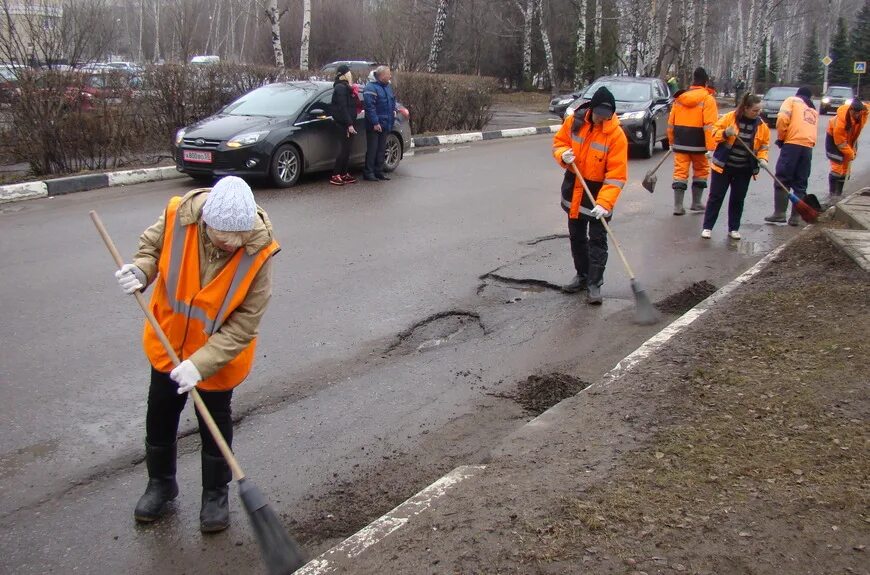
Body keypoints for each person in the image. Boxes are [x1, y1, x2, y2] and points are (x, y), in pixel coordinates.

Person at [114, 176, 279, 532]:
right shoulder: (178, 216)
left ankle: (215, 495)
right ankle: (161, 484)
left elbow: (244, 325)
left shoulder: (259, 252)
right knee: (159, 415)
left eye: (238, 236)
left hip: (218, 359)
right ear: (206, 220)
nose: (230, 243)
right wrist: (140, 272)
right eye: (222, 235)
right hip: (169, 344)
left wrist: (199, 364)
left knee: (214, 424)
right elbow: (150, 250)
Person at [552, 86, 628, 305]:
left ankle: (595, 284)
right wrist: (562, 155)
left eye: (606, 117)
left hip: (598, 194)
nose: (602, 120)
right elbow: (560, 143)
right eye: (598, 115)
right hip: (575, 187)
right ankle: (582, 276)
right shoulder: (575, 122)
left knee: (597, 240)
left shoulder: (616, 136)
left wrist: (605, 203)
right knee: (576, 237)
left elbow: (617, 174)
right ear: (591, 109)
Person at [701, 93, 771, 240]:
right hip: (723, 166)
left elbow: (764, 146)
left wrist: (763, 159)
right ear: (746, 108)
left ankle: (734, 228)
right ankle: (707, 227)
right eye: (755, 110)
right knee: (716, 197)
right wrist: (725, 133)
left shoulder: (761, 126)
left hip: (744, 169)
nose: (758, 113)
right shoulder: (730, 118)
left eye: (759, 111)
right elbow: (714, 133)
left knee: (738, 199)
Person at [764, 86, 818, 226]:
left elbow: (782, 118)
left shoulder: (792, 101)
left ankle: (779, 214)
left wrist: (782, 138)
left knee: (782, 178)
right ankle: (796, 217)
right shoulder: (812, 109)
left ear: (798, 94)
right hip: (807, 147)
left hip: (792, 144)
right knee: (800, 183)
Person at [667, 67, 719, 215]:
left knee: (680, 173)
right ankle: (696, 203)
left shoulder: (680, 98)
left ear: (693, 81)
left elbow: (671, 122)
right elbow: (710, 125)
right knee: (701, 171)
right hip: (699, 144)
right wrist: (711, 147)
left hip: (681, 142)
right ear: (706, 82)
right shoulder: (708, 99)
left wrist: (671, 141)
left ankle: (678, 206)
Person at [363, 66, 406, 181]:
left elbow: (392, 101)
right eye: (388, 74)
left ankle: (378, 171)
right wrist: (375, 122)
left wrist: (395, 111)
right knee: (373, 149)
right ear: (381, 75)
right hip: (375, 125)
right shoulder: (371, 87)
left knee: (381, 149)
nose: (390, 76)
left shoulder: (387, 87)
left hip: (386, 123)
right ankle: (368, 172)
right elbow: (369, 107)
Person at [825, 98, 868, 201]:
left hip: (850, 139)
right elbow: (840, 143)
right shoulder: (841, 122)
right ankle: (832, 195)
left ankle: (838, 194)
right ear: (851, 110)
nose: (857, 115)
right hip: (835, 140)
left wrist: (850, 153)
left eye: (859, 112)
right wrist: (851, 154)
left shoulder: (863, 112)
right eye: (855, 112)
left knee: (844, 169)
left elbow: (867, 108)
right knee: (837, 168)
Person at [329, 64, 358, 186]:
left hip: (348, 122)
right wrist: (349, 124)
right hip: (343, 124)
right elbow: (343, 107)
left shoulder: (347, 88)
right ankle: (336, 174)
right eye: (348, 72)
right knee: (344, 149)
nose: (350, 74)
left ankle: (344, 173)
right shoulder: (340, 88)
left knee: (348, 149)